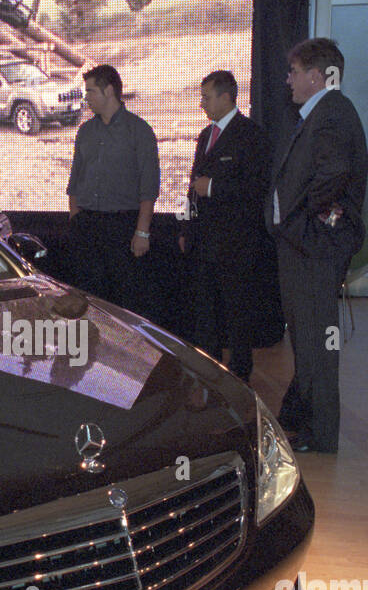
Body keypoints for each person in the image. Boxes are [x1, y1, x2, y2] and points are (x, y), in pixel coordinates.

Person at [265, 38, 368, 453]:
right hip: (304, 248)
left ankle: (320, 434)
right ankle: (307, 421)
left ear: (315, 75)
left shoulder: (332, 114)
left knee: (317, 344)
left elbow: (332, 176)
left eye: (293, 72)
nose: (287, 80)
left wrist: (300, 223)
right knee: (307, 342)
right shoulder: (320, 114)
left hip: (313, 250)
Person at [178, 69, 280, 380]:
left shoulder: (251, 135)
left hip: (237, 243)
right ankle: (208, 372)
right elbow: (193, 184)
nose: (202, 104)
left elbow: (256, 188)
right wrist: (186, 226)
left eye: (207, 98)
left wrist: (213, 188)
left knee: (237, 314)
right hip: (203, 241)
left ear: (226, 97)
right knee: (205, 312)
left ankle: (239, 378)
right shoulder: (205, 136)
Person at [65, 64, 160, 316]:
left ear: (108, 91)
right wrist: (76, 217)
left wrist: (142, 232)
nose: (86, 98)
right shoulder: (85, 131)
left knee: (125, 301)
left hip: (122, 227)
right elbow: (75, 180)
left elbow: (149, 188)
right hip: (87, 226)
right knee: (89, 298)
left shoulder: (139, 131)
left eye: (91, 91)